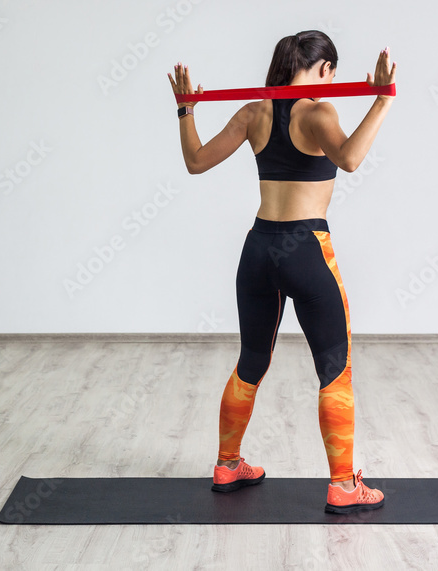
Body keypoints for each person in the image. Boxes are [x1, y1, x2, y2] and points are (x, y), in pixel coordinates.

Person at [167, 30, 396, 514]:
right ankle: (343, 486)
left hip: (258, 250)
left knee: (251, 362)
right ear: (325, 69)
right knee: (335, 370)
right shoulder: (318, 112)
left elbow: (194, 162)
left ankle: (228, 464)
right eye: (331, 72)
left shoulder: (254, 112)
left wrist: (186, 108)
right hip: (306, 250)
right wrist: (382, 100)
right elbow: (350, 159)